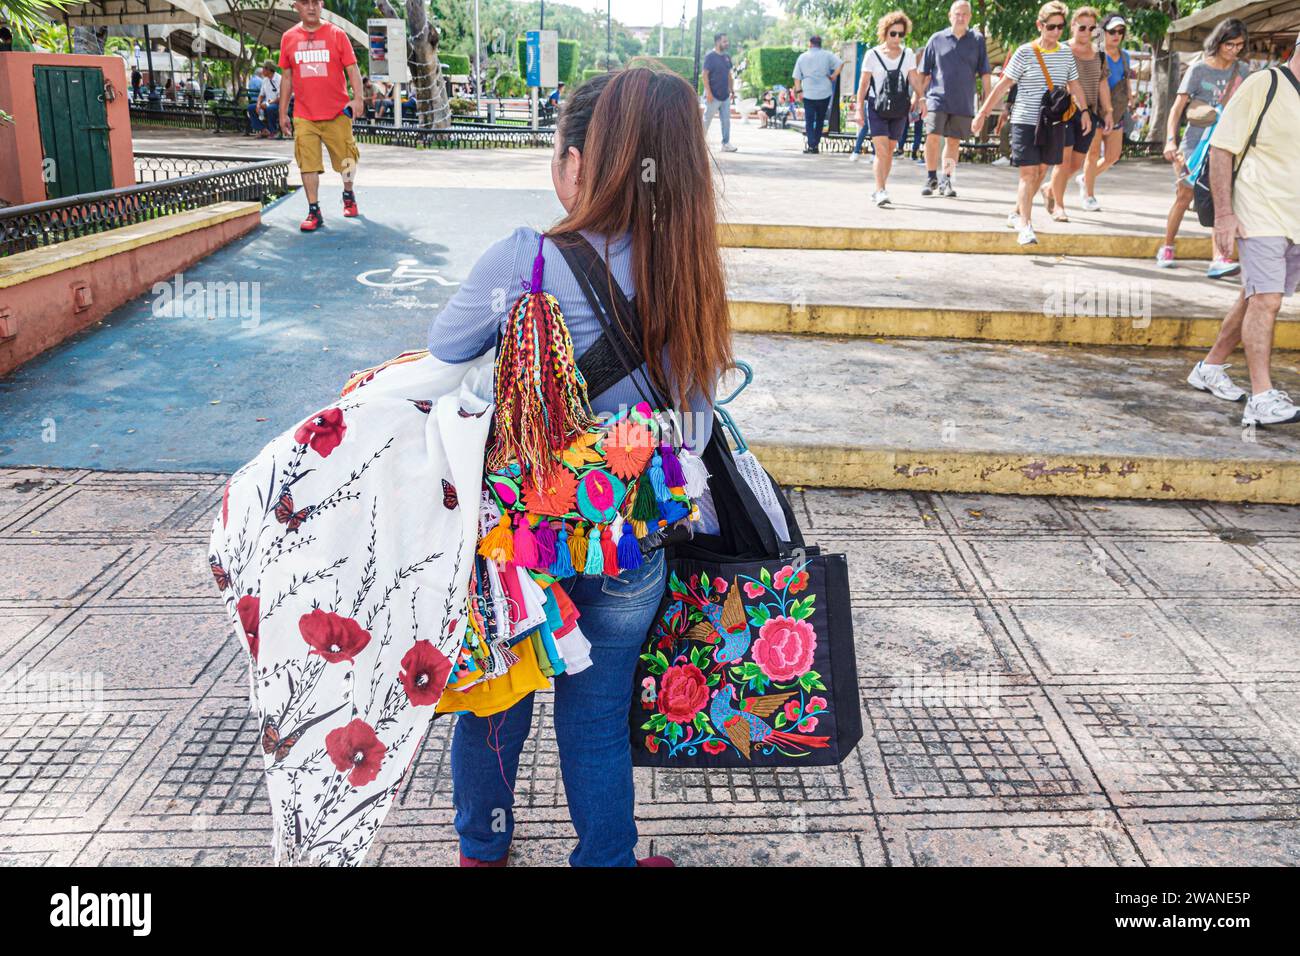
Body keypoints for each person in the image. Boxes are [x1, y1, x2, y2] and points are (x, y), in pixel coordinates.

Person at [427, 68, 730, 867]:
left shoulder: (520, 260)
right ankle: (606, 858)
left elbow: (437, 362)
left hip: (520, 550)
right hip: (629, 547)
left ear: (574, 162)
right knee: (595, 716)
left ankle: (481, 851)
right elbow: (692, 434)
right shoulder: (690, 269)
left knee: (495, 703)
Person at [1187, 35, 1300, 426]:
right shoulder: (1264, 84)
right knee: (1267, 300)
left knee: (1253, 296)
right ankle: (1262, 396)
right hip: (1259, 211)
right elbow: (1222, 148)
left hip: (1295, 217)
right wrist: (1224, 215)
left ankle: (1210, 366)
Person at [972, 1, 1091, 246]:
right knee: (1027, 173)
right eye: (1051, 27)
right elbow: (1004, 85)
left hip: (1053, 122)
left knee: (1042, 170)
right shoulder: (1025, 52)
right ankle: (1026, 225)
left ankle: (1016, 212)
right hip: (1025, 120)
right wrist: (982, 113)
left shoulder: (1066, 53)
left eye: (1060, 27)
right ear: (1040, 25)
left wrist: (1085, 111)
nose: (1056, 32)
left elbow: (1074, 84)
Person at [1158, 18, 1251, 275]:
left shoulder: (1243, 72)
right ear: (1218, 42)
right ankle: (1167, 245)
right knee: (1184, 196)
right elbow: (1176, 110)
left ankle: (1219, 258)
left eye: (1239, 45)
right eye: (1229, 44)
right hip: (1194, 145)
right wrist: (1170, 140)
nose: (1234, 50)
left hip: (1225, 146)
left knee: (1219, 197)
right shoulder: (1199, 70)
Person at [277, 0, 365, 232]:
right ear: (296, 6)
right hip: (304, 115)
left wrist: (358, 99)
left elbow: (352, 69)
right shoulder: (288, 38)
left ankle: (348, 193)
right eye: (305, 3)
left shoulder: (337, 34)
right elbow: (286, 78)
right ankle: (313, 210)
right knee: (307, 163)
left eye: (315, 2)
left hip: (336, 113)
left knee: (347, 159)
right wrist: (282, 112)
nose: (311, 7)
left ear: (322, 4)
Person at [1042, 6, 1112, 221]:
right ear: (1072, 27)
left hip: (1088, 113)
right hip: (1064, 112)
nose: (1086, 31)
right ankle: (1059, 207)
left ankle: (1050, 189)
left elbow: (1102, 84)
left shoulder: (1099, 53)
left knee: (1075, 164)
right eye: (1082, 27)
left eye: (1091, 28)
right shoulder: (1061, 49)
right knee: (1062, 162)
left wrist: (1108, 111)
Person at [916, 1, 992, 197]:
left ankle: (946, 180)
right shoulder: (936, 39)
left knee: (953, 142)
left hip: (963, 101)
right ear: (950, 16)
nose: (961, 17)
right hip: (937, 98)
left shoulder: (977, 40)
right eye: (957, 14)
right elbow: (923, 73)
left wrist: (987, 100)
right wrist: (919, 97)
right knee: (932, 137)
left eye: (965, 14)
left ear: (970, 17)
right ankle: (931, 177)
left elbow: (984, 72)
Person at [854, 11, 925, 206]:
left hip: (899, 109)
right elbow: (863, 83)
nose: (897, 38)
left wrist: (922, 98)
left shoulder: (908, 54)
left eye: (901, 34)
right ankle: (881, 190)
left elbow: (914, 78)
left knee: (891, 149)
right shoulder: (873, 55)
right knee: (882, 151)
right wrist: (859, 108)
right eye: (893, 33)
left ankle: (879, 187)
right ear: (884, 32)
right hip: (876, 107)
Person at [1082, 12, 1133, 207]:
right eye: (1112, 31)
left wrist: (1131, 97)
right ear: (1103, 32)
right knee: (1092, 153)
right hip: (1096, 108)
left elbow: (1126, 78)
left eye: (1121, 31)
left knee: (1113, 155)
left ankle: (1087, 178)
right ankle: (1088, 195)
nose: (1116, 35)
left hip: (1117, 109)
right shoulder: (1096, 53)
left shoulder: (1125, 56)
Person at [793, 35, 843, 154]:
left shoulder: (802, 57)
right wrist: (834, 75)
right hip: (824, 92)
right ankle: (816, 144)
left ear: (810, 43)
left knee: (809, 120)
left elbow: (796, 77)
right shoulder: (827, 55)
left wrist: (799, 91)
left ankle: (811, 145)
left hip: (808, 93)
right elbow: (840, 64)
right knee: (820, 120)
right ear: (820, 44)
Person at [702, 33, 738, 152]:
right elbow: (705, 75)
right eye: (724, 41)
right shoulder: (710, 56)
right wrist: (708, 93)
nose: (727, 43)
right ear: (717, 42)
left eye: (727, 41)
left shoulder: (726, 57)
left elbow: (729, 75)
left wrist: (732, 90)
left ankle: (726, 143)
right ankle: (699, 143)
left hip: (725, 96)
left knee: (726, 121)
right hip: (713, 95)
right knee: (707, 120)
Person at [256, 61, 282, 139]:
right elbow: (261, 95)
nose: (262, 70)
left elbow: (281, 97)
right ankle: (264, 130)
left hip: (278, 103)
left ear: (269, 70)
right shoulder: (265, 80)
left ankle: (274, 131)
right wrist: (258, 104)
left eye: (263, 68)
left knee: (270, 108)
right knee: (251, 108)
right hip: (267, 102)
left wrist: (267, 104)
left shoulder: (279, 79)